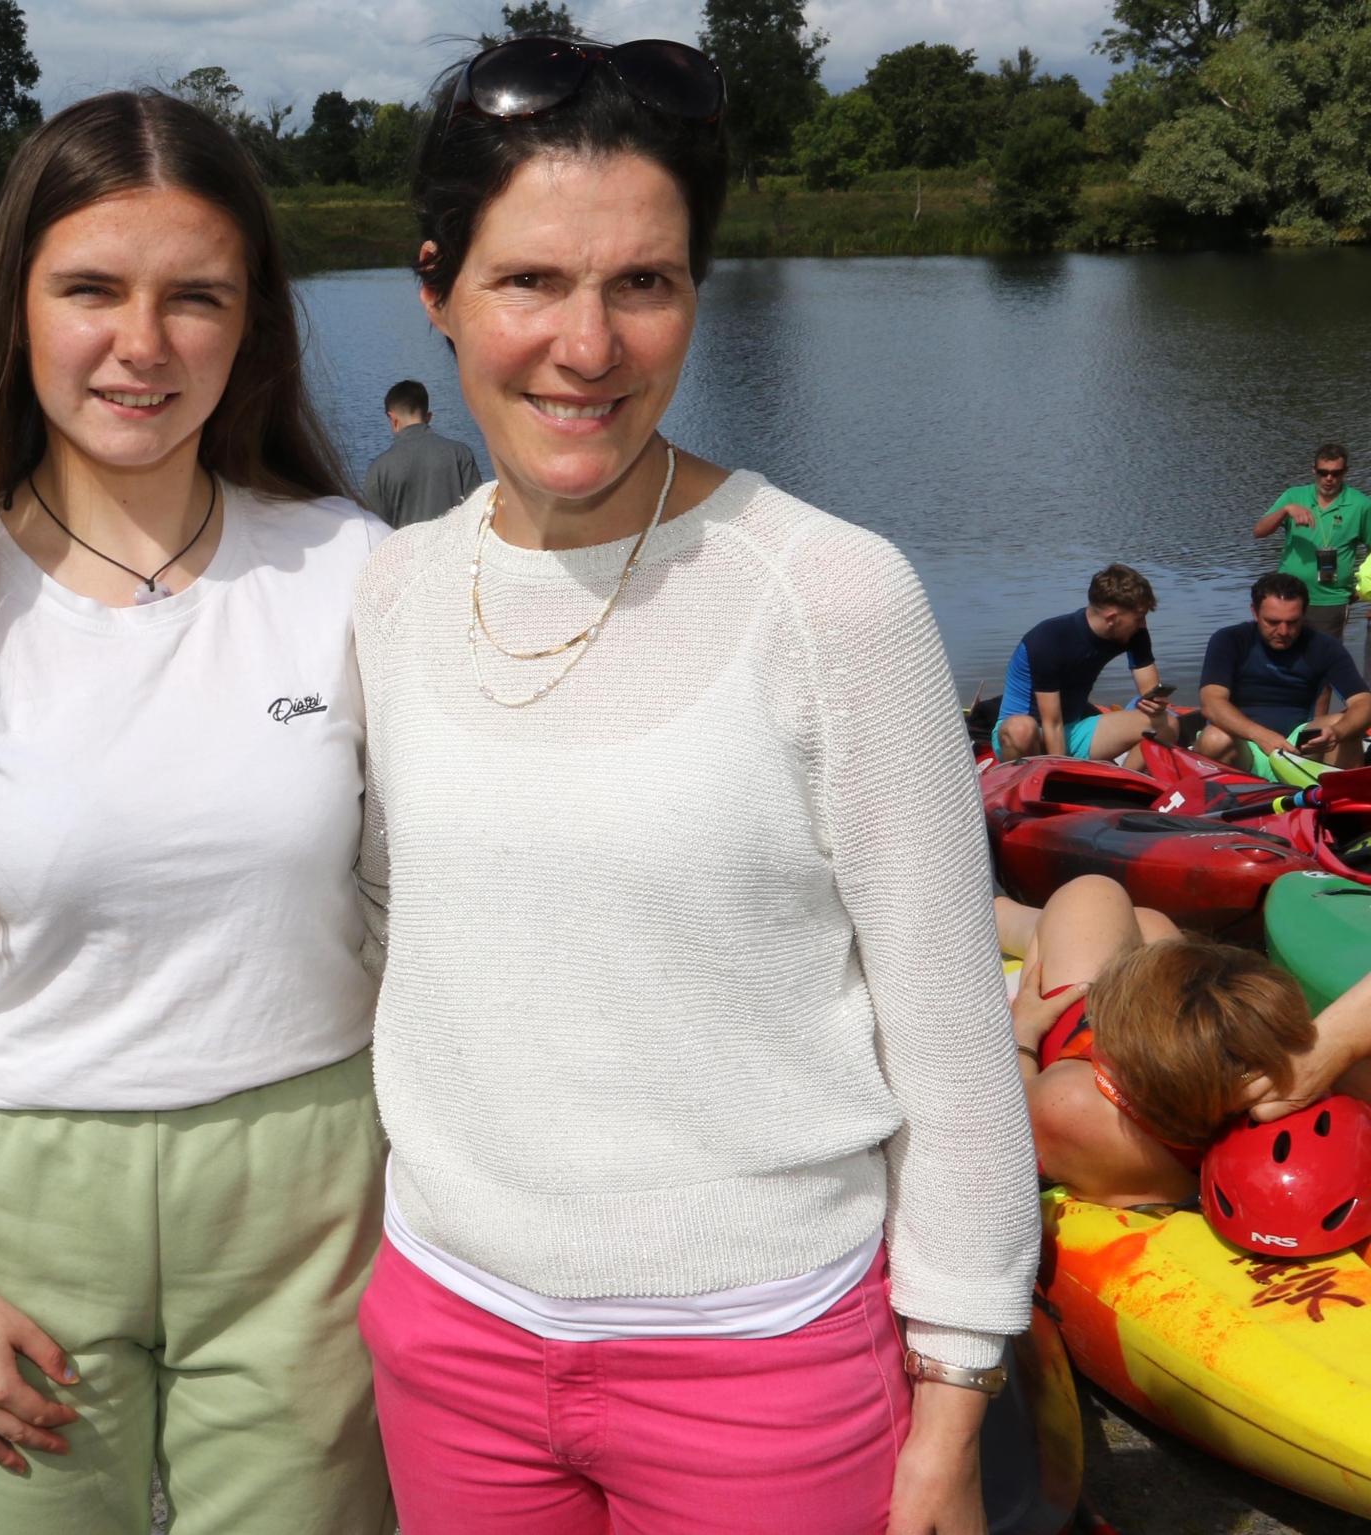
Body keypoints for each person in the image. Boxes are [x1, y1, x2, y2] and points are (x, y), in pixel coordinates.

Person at [352, 37, 1038, 1535]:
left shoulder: (831, 591)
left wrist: (956, 1383)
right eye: (530, 279)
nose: (587, 346)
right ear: (437, 288)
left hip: (762, 1355)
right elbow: (398, 929)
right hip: (450, 1331)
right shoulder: (395, 591)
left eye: (643, 283)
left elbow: (946, 1018)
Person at [0, 94, 393, 1535]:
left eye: (196, 296)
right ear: (17, 308)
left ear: (251, 325)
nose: (142, 342)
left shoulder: (348, 567)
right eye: (92, 288)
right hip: (17, 1192)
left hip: (311, 1190)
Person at [1003, 876, 1371, 1208]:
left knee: (1092, 894)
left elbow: (1005, 1115)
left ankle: (1005, 920)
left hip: (1089, 1051)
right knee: (1151, 924)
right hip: (1195, 1060)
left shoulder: (1070, 1105)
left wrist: (1023, 1031)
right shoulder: (1298, 1077)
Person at [995, 564, 1178, 766]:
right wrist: (1063, 773)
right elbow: (1052, 722)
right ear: (1112, 618)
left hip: (1073, 730)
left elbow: (1150, 690)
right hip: (1025, 734)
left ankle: (1121, 785)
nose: (1143, 624)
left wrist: (1156, 704)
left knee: (1167, 724)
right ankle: (1028, 783)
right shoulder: (1049, 640)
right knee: (1021, 729)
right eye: (1139, 618)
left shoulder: (1134, 633)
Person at [1196, 571, 1371, 773]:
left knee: (1348, 726)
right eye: (1272, 622)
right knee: (1214, 739)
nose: (1283, 632)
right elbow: (1211, 703)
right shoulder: (1229, 640)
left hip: (1299, 748)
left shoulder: (1324, 646)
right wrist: (1260, 735)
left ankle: (1341, 798)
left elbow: (1363, 702)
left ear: (1304, 614)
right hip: (1244, 746)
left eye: (1292, 622)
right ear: (1254, 612)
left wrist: (1337, 732)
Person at [1254, 442, 1368, 652]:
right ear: (1314, 469)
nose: (1329, 479)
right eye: (1323, 472)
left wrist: (1363, 590)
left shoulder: (1360, 504)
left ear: (1346, 471)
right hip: (1286, 599)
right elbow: (1259, 531)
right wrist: (1285, 511)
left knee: (1322, 667)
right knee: (1282, 663)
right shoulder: (1293, 496)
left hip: (1330, 600)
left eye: (1336, 473)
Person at [361, 379, 482, 528]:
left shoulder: (378, 469)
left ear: (393, 419)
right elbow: (479, 513)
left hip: (404, 550)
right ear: (428, 417)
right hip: (456, 549)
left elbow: (374, 530)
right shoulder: (460, 454)